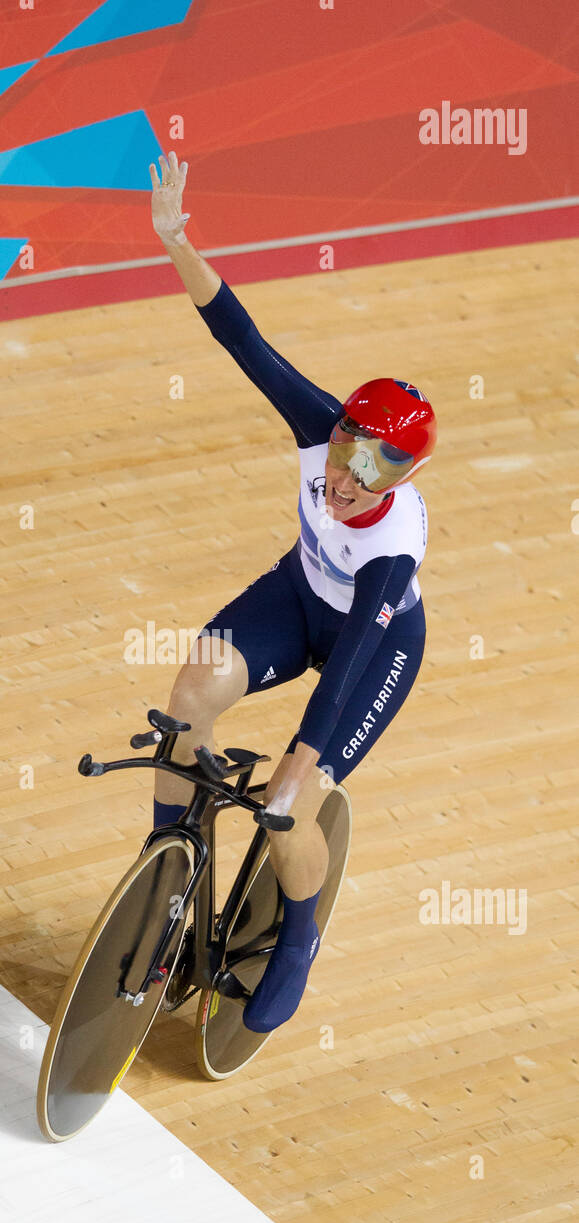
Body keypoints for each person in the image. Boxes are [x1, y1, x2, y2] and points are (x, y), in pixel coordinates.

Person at [148, 152, 436, 1035]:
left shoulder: (390, 549)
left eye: (371, 473)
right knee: (190, 691)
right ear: (338, 430)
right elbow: (241, 338)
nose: (346, 481)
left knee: (283, 805)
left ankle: (300, 933)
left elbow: (346, 665)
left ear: (401, 476)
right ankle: (163, 871)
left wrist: (303, 761)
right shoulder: (320, 430)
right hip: (299, 594)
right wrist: (175, 238)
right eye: (345, 456)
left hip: (371, 643)